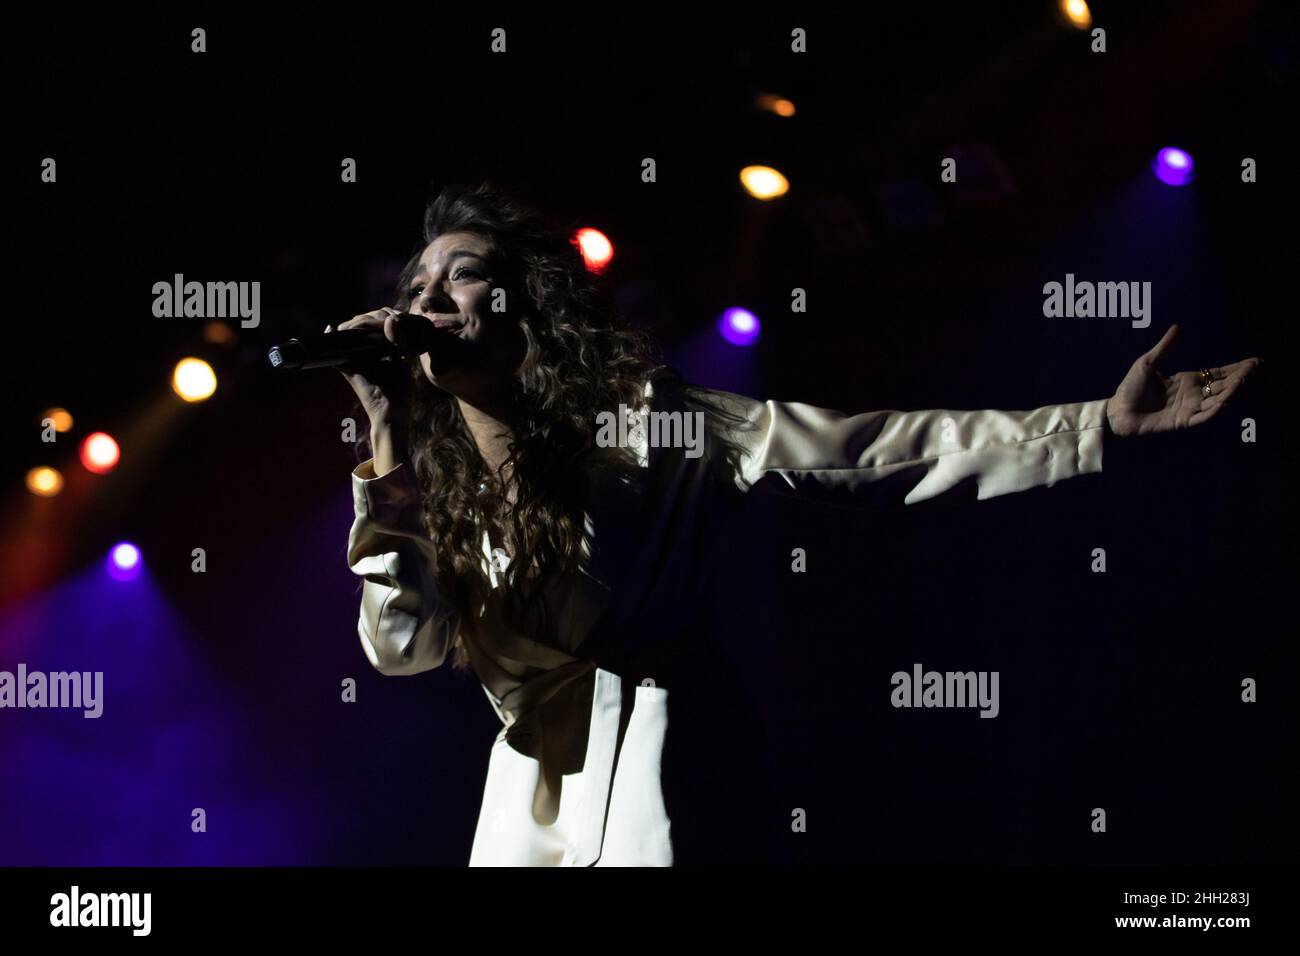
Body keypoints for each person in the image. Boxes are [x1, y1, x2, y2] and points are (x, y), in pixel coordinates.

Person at [329, 181, 1261, 866]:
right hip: (528, 825)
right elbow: (403, 647)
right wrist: (385, 447)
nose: (428, 303)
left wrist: (1094, 423)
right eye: (415, 290)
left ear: (522, 303)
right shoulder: (422, 488)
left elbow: (878, 449)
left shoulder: (662, 424)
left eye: (463, 276)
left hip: (677, 783)